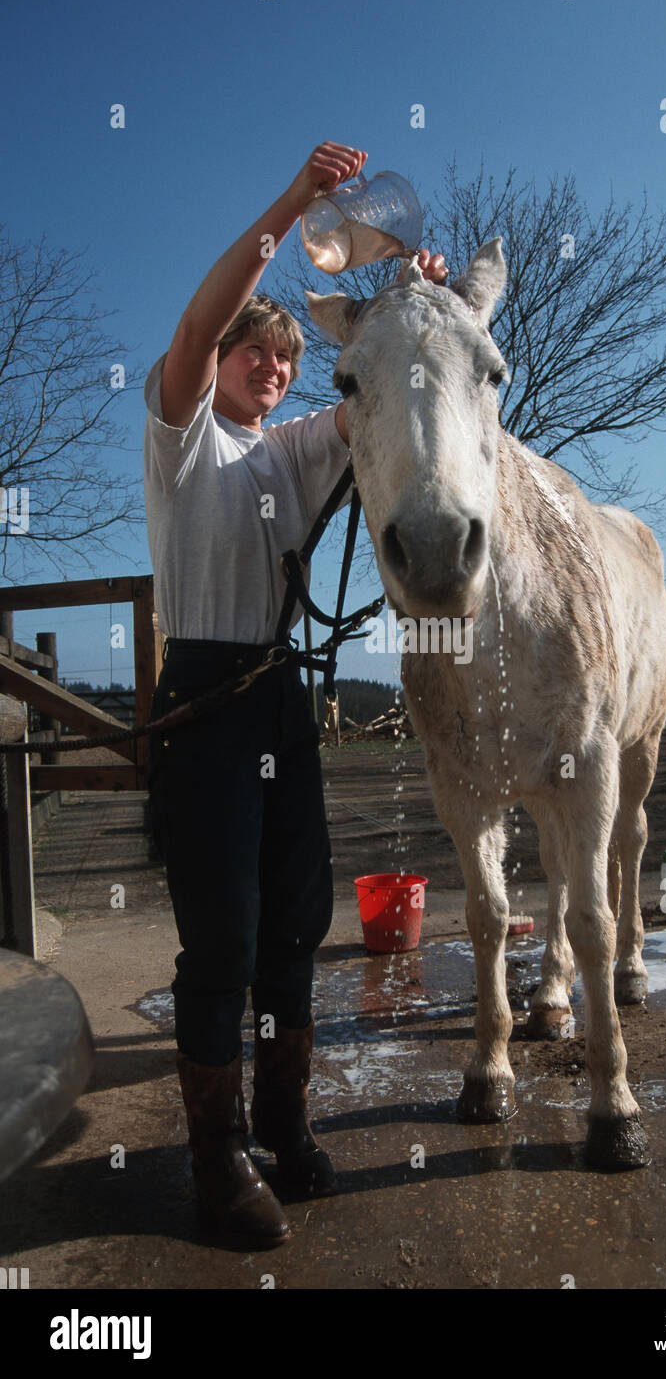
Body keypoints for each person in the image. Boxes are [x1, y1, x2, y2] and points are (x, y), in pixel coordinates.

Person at [143, 141, 447, 1249]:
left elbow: (378, 383)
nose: (268, 367)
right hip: (204, 700)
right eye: (250, 355)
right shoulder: (182, 441)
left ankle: (282, 1121)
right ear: (218, 366)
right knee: (217, 941)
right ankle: (215, 1162)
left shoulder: (298, 450)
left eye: (278, 358)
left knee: (294, 929)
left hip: (279, 701)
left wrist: (416, 294)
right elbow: (191, 328)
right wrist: (292, 204)